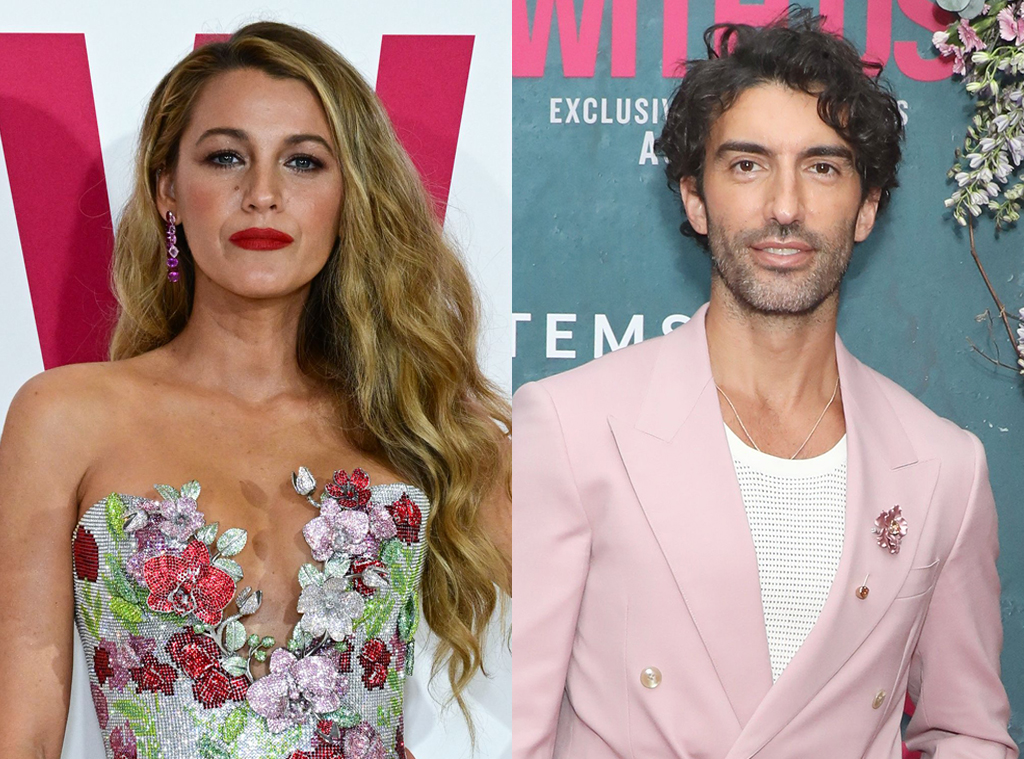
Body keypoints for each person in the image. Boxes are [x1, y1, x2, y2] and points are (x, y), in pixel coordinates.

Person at [512, 10, 1016, 759]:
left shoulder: (945, 468)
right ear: (695, 197)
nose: (785, 207)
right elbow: (514, 726)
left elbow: (969, 730)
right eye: (747, 165)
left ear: (868, 206)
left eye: (823, 167)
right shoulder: (570, 427)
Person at [0, 21, 510, 759]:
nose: (262, 194)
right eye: (226, 157)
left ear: (350, 196)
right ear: (168, 191)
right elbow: (21, 733)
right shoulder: (65, 417)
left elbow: (627, 612)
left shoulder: (414, 419)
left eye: (303, 162)